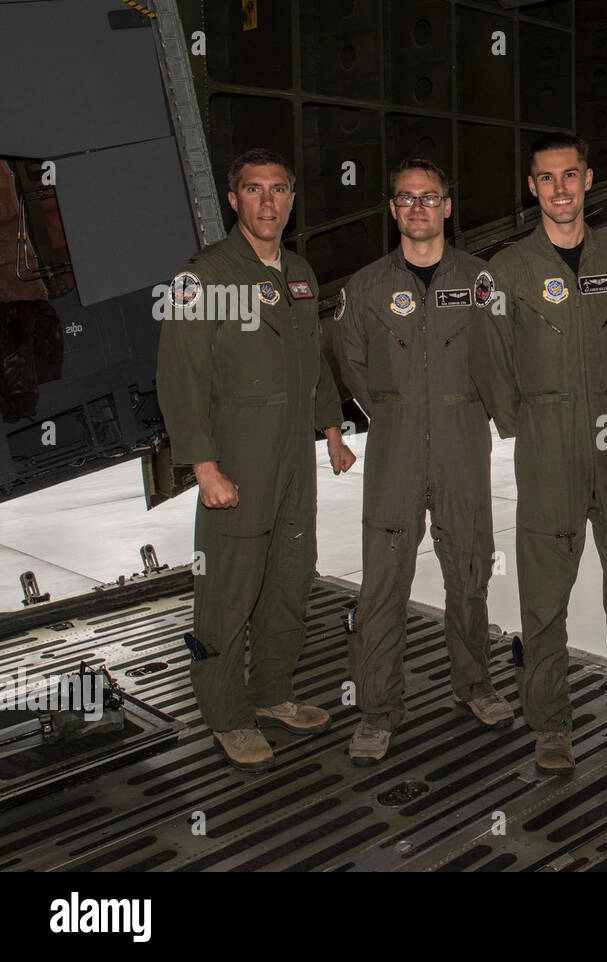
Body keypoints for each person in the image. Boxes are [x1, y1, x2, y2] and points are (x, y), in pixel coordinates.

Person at [470, 133, 607, 774]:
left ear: (588, 180)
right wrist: (524, 422)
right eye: (546, 178)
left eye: (571, 175)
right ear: (531, 187)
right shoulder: (501, 272)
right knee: (544, 597)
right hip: (545, 445)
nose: (560, 189)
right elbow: (488, 356)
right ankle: (551, 725)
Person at [157, 147, 356, 772]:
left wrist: (332, 427)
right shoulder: (205, 277)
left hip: (294, 457)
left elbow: (312, 355)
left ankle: (271, 694)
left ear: (292, 198)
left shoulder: (298, 272)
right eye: (254, 190)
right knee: (228, 590)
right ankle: (227, 715)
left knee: (290, 580)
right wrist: (203, 466)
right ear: (233, 199)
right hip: (238, 459)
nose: (268, 202)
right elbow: (179, 377)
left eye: (278, 190)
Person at [335, 158, 511, 765]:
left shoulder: (483, 281)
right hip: (396, 444)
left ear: (447, 206)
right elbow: (351, 362)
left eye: (429, 198)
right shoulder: (365, 287)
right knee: (384, 580)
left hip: (464, 439)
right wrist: (394, 409)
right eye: (406, 199)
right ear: (392, 209)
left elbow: (503, 356)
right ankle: (377, 711)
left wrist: (474, 411)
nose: (418, 208)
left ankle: (475, 685)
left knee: (469, 571)